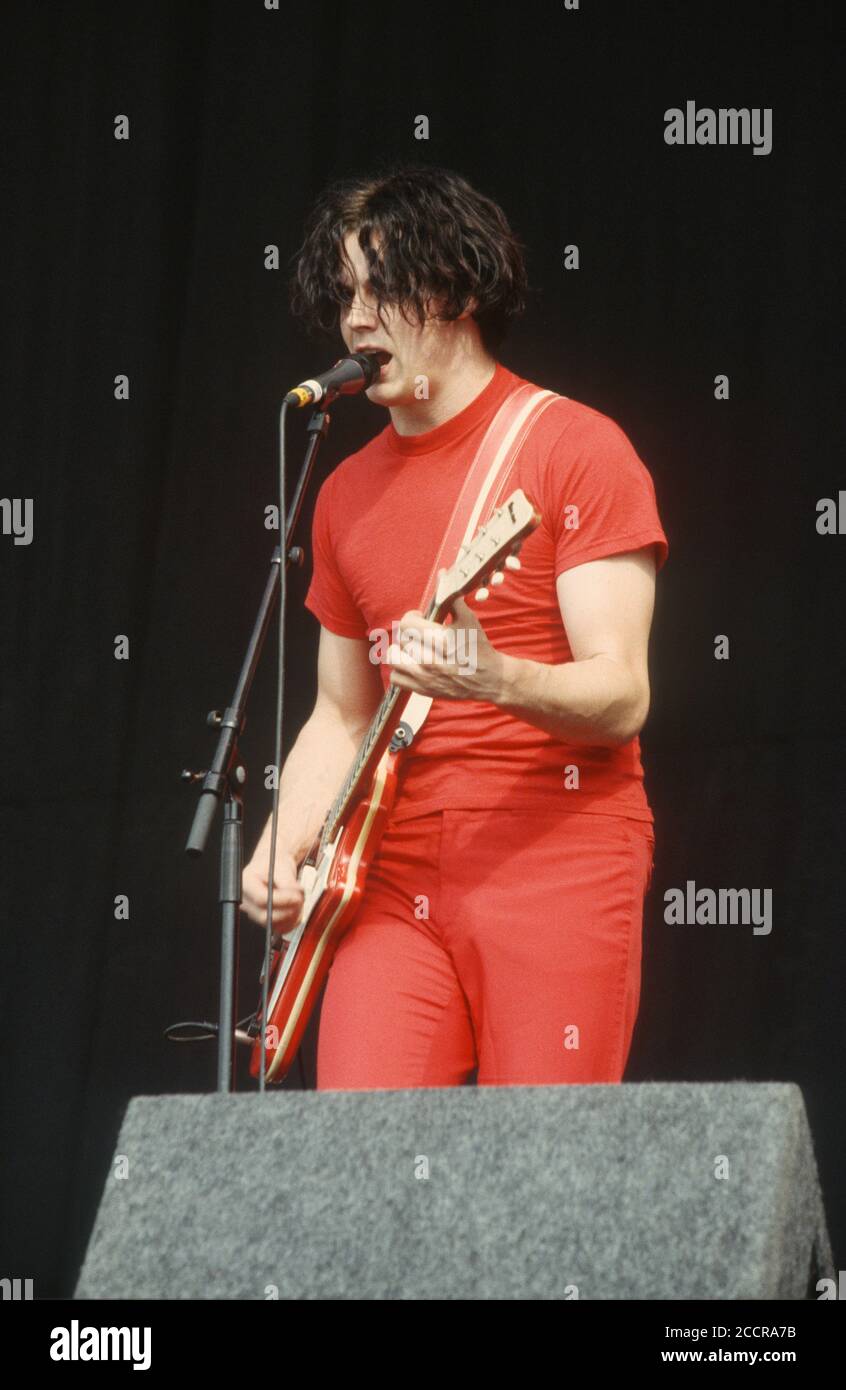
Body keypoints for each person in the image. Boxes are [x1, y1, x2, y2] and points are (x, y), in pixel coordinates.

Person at [241, 163, 669, 1089]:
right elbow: (340, 713)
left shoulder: (573, 447)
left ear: (461, 289)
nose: (355, 319)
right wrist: (285, 839)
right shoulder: (344, 492)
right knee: (365, 1169)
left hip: (554, 852)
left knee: (541, 1174)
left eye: (382, 287)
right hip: (388, 873)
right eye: (343, 293)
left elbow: (621, 694)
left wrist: (495, 678)